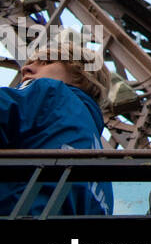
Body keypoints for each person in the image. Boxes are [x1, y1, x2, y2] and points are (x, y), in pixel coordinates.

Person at [0, 35, 114, 216]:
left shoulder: (50, 92)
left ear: (80, 77)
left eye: (46, 62)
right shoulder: (103, 172)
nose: (26, 68)